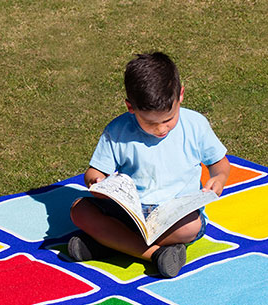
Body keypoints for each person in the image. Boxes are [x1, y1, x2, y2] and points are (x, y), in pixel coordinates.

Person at [68, 52, 230, 278]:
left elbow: (220, 164)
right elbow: (94, 172)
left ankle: (108, 243)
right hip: (130, 213)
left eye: (168, 119)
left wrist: (219, 178)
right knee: (79, 210)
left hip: (175, 217)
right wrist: (97, 182)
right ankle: (156, 254)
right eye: (151, 123)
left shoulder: (195, 125)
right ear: (130, 107)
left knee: (191, 226)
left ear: (181, 95)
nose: (161, 129)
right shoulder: (117, 131)